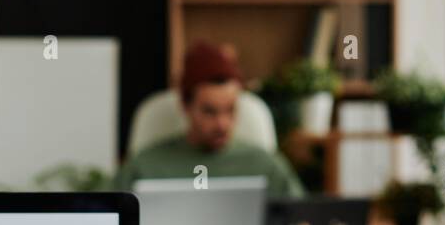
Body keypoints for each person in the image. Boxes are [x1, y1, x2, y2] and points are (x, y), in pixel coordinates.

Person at [115, 41, 305, 196]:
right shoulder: (145, 166)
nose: (222, 124)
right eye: (209, 111)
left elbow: (301, 220)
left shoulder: (266, 166)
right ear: (185, 106)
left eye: (230, 110)